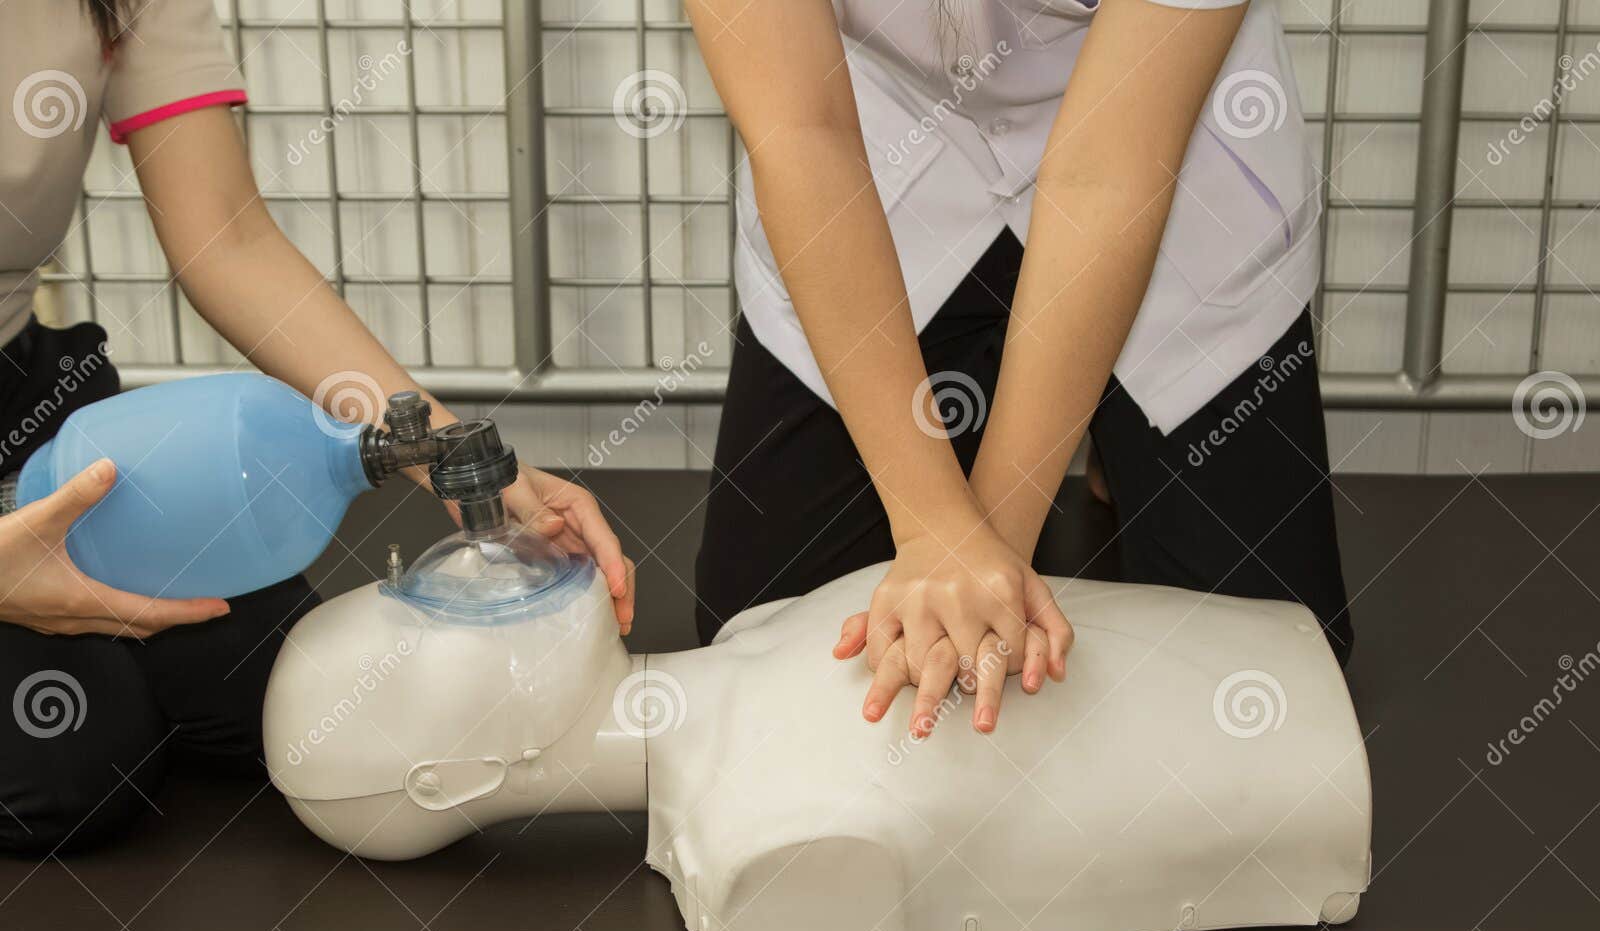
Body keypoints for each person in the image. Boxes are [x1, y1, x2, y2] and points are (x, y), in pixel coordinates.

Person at [0, 0, 633, 855]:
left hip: (28, 409)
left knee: (285, 687)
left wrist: (455, 457)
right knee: (71, 767)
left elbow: (227, 239)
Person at [686, 0, 1354, 738]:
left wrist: (985, 567)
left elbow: (1106, 173)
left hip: (1161, 147)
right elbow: (805, 135)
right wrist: (934, 526)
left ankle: (1112, 430)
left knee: (1278, 683)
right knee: (759, 647)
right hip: (888, 133)